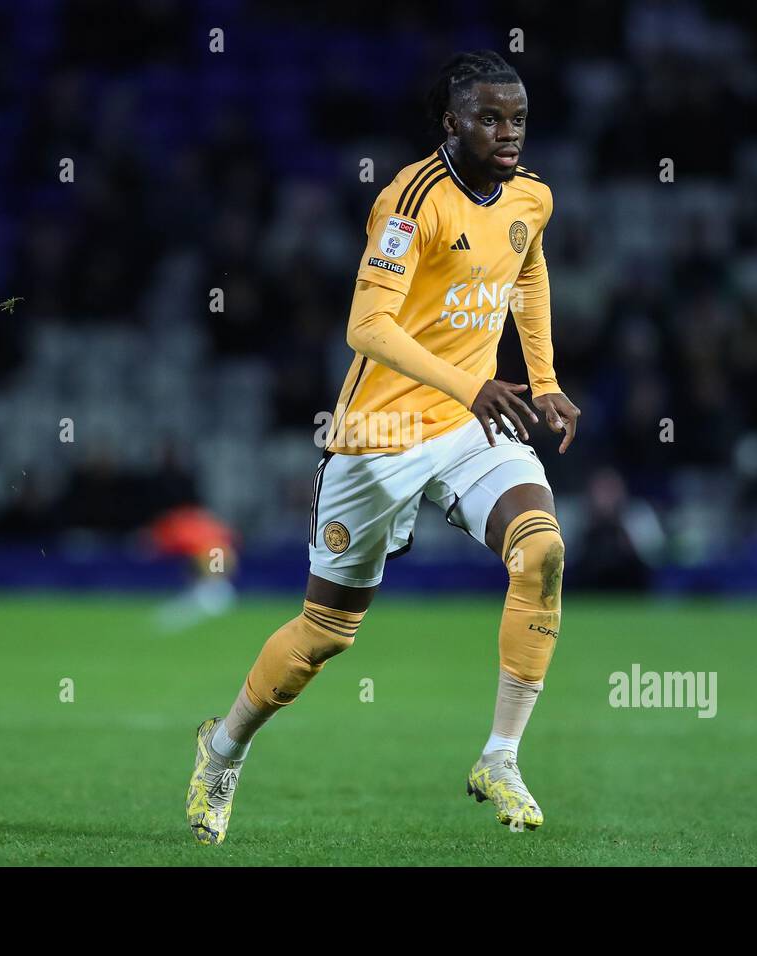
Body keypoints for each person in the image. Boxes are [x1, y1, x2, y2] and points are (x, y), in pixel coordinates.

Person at [187, 50, 580, 844]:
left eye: (519, 120)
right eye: (489, 119)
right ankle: (222, 750)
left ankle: (499, 756)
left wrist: (542, 380)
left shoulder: (531, 195)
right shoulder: (409, 201)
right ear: (451, 122)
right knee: (325, 636)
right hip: (382, 435)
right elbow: (365, 327)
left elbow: (527, 273)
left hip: (471, 427)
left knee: (541, 553)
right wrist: (475, 385)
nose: (508, 134)